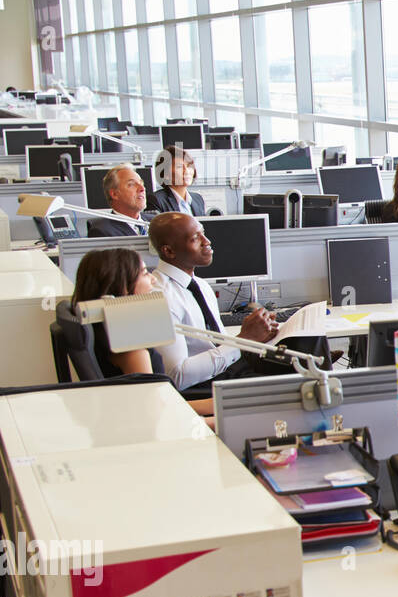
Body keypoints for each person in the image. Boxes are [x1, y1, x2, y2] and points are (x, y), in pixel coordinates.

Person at [69, 248, 214, 420]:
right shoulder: (132, 350)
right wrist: (213, 415)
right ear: (123, 286)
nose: (153, 279)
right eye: (145, 274)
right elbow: (155, 412)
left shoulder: (103, 330)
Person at [148, 212, 277, 392]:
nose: (207, 241)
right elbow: (176, 376)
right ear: (169, 251)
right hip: (202, 386)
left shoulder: (200, 285)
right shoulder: (159, 297)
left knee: (304, 359)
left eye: (203, 233)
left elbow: (218, 346)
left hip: (227, 372)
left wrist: (258, 336)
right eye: (195, 238)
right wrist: (243, 340)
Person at [88, 164, 148, 237]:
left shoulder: (159, 221)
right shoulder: (102, 232)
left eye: (142, 183)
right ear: (114, 194)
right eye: (131, 184)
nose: (142, 188)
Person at [148, 144, 206, 216]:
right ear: (165, 173)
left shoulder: (198, 199)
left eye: (189, 166)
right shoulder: (156, 200)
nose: (186, 171)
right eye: (179, 167)